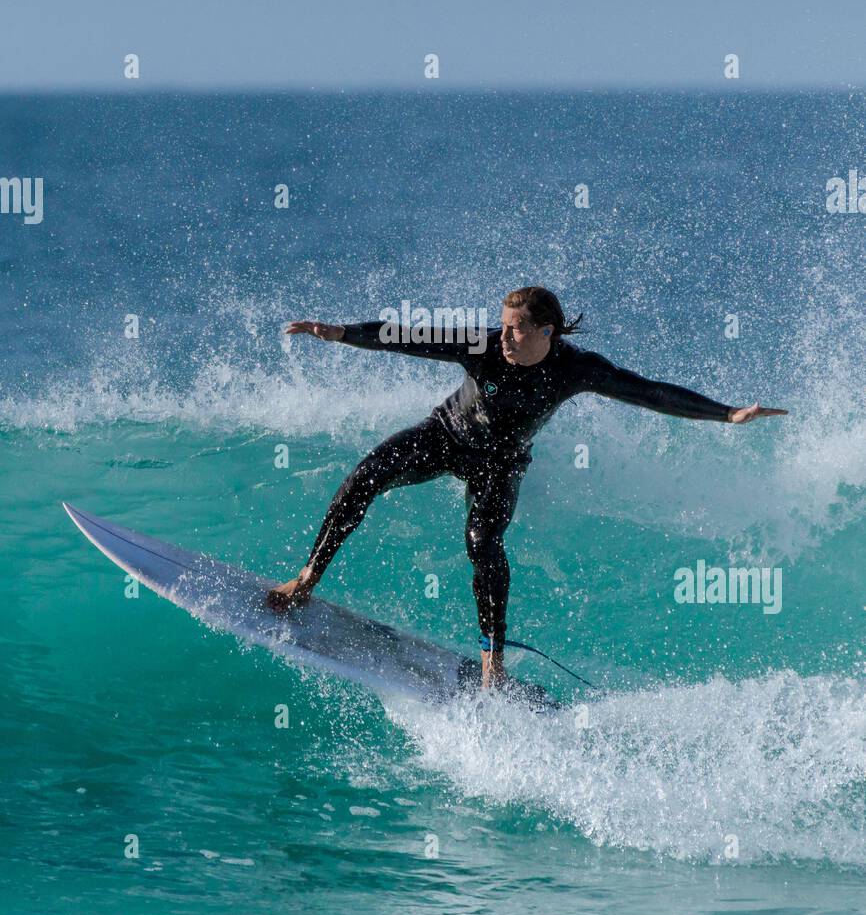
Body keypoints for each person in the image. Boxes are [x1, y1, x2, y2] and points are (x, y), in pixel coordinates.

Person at [267, 286, 787, 688]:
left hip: (501, 461)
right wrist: (340, 333)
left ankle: (492, 659)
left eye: (516, 330)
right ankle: (307, 579)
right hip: (447, 434)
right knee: (366, 475)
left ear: (548, 331)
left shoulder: (576, 369)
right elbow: (406, 336)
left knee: (482, 543)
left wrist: (727, 414)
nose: (504, 337)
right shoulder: (484, 345)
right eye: (503, 326)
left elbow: (647, 392)